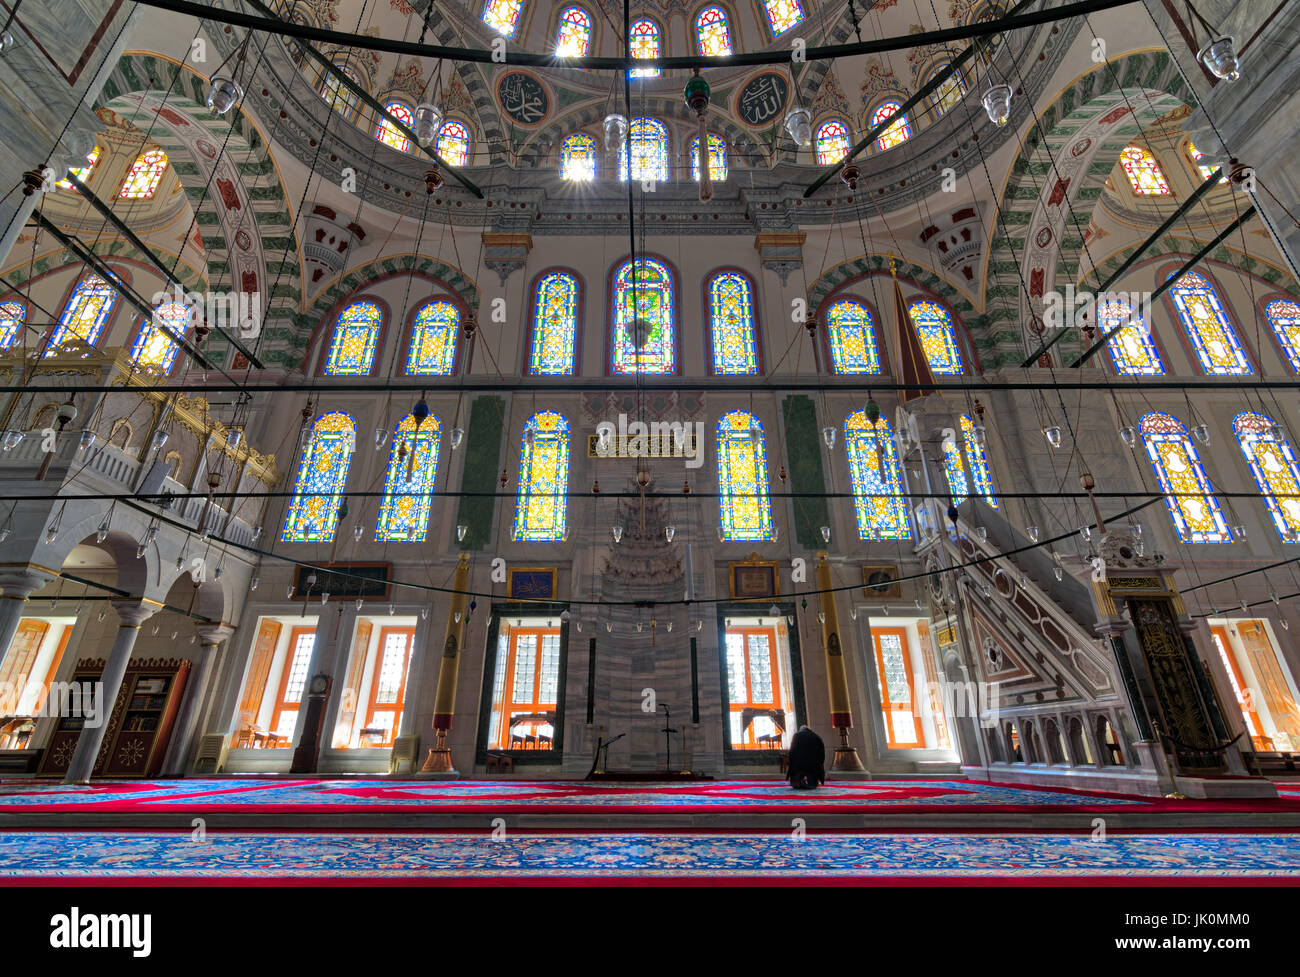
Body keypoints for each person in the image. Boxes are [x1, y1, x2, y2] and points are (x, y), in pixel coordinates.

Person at [786, 725, 825, 790]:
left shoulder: (796, 736)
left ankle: (797, 782)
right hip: (813, 766)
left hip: (798, 766)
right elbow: (822, 755)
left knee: (795, 783)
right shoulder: (816, 736)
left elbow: (791, 752)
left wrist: (791, 766)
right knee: (813, 784)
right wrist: (820, 768)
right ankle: (811, 783)